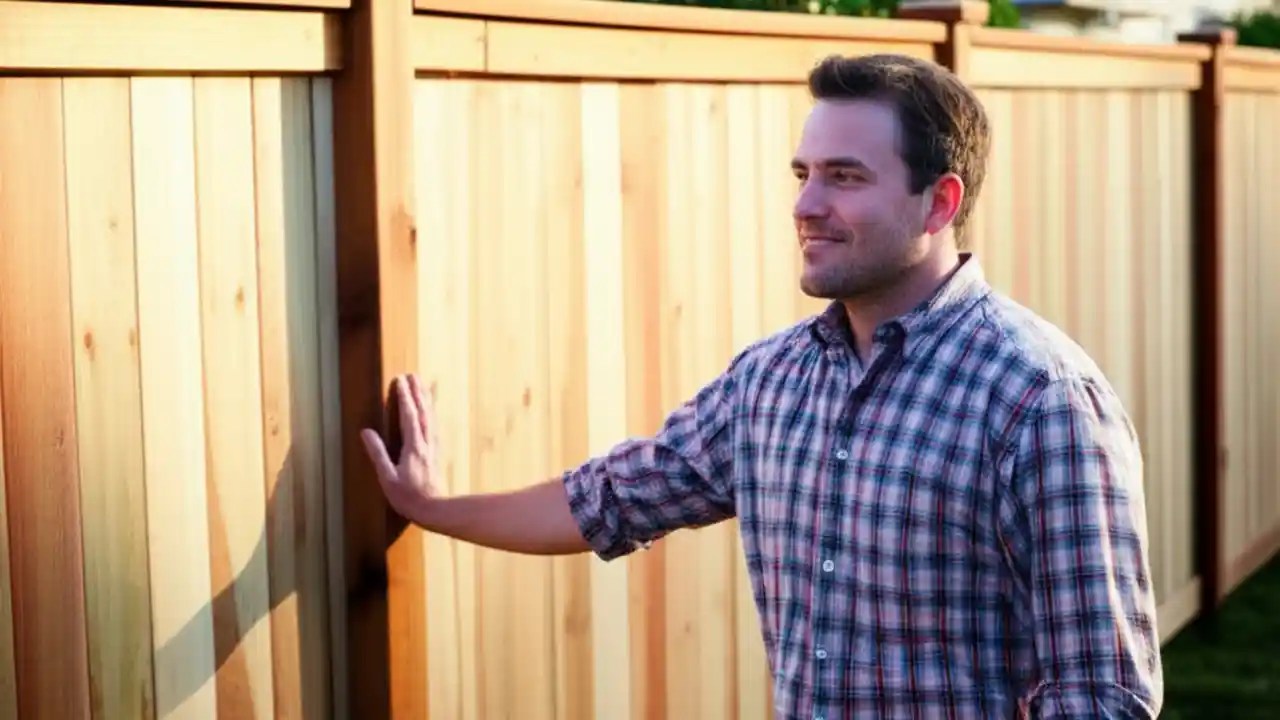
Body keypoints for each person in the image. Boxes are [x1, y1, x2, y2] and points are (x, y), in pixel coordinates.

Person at [360, 53, 1163, 719]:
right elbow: (610, 498)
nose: (806, 205)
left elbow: (1103, 692)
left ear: (938, 202)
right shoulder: (771, 382)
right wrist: (432, 507)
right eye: (804, 173)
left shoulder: (1039, 400)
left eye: (845, 177)